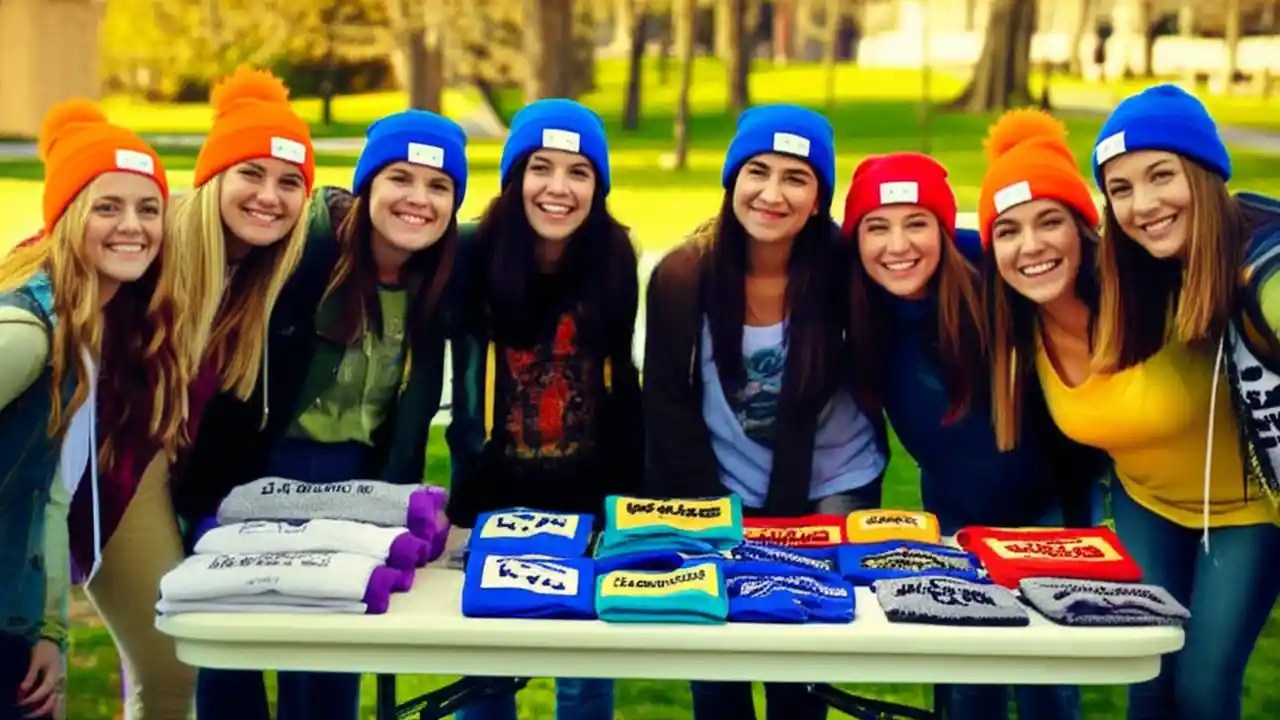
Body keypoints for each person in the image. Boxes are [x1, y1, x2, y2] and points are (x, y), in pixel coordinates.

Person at [178, 108, 467, 720]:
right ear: (367, 186)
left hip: (359, 485)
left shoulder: (436, 282)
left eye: (439, 187)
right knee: (236, 649)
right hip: (260, 475)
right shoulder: (305, 251)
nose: (418, 200)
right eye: (400, 179)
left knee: (332, 656)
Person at [68, 66, 313, 718]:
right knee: (170, 670)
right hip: (94, 469)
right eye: (251, 174)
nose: (270, 197)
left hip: (153, 469)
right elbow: (55, 257)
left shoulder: (258, 277)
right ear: (213, 179)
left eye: (290, 183)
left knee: (172, 674)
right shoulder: (153, 238)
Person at [644, 104, 886, 720]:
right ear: (732, 181)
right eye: (758, 171)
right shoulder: (682, 273)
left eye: (796, 178)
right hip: (719, 484)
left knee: (800, 666)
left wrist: (785, 536)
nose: (772, 194)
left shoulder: (844, 268)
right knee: (719, 667)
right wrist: (717, 526)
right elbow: (670, 414)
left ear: (818, 198)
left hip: (833, 481)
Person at [842, 151, 1095, 720]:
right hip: (952, 514)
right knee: (965, 681)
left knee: (1045, 680)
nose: (897, 245)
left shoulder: (990, 274)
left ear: (945, 230)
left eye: (917, 223)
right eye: (876, 228)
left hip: (1048, 506)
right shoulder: (854, 303)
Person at [444, 98, 642, 720]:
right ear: (515, 177)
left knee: (585, 671)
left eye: (578, 172)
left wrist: (626, 496)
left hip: (586, 489)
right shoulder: (472, 251)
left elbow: (621, 381)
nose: (558, 188)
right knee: (487, 669)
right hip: (491, 493)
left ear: (597, 186)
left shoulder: (614, 256)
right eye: (541, 168)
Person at [1088, 84, 1280, 720]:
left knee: (1203, 689)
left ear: (1203, 172)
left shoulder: (1265, 271)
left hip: (1247, 512)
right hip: (1149, 501)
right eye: (1120, 189)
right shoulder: (1132, 266)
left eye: (1160, 175)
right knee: (1147, 678)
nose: (1142, 205)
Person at [0, 99, 181, 720]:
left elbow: (46, 496)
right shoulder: (27, 333)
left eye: (148, 208)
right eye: (107, 206)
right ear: (66, 216)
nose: (132, 225)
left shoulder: (94, 333)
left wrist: (47, 631)